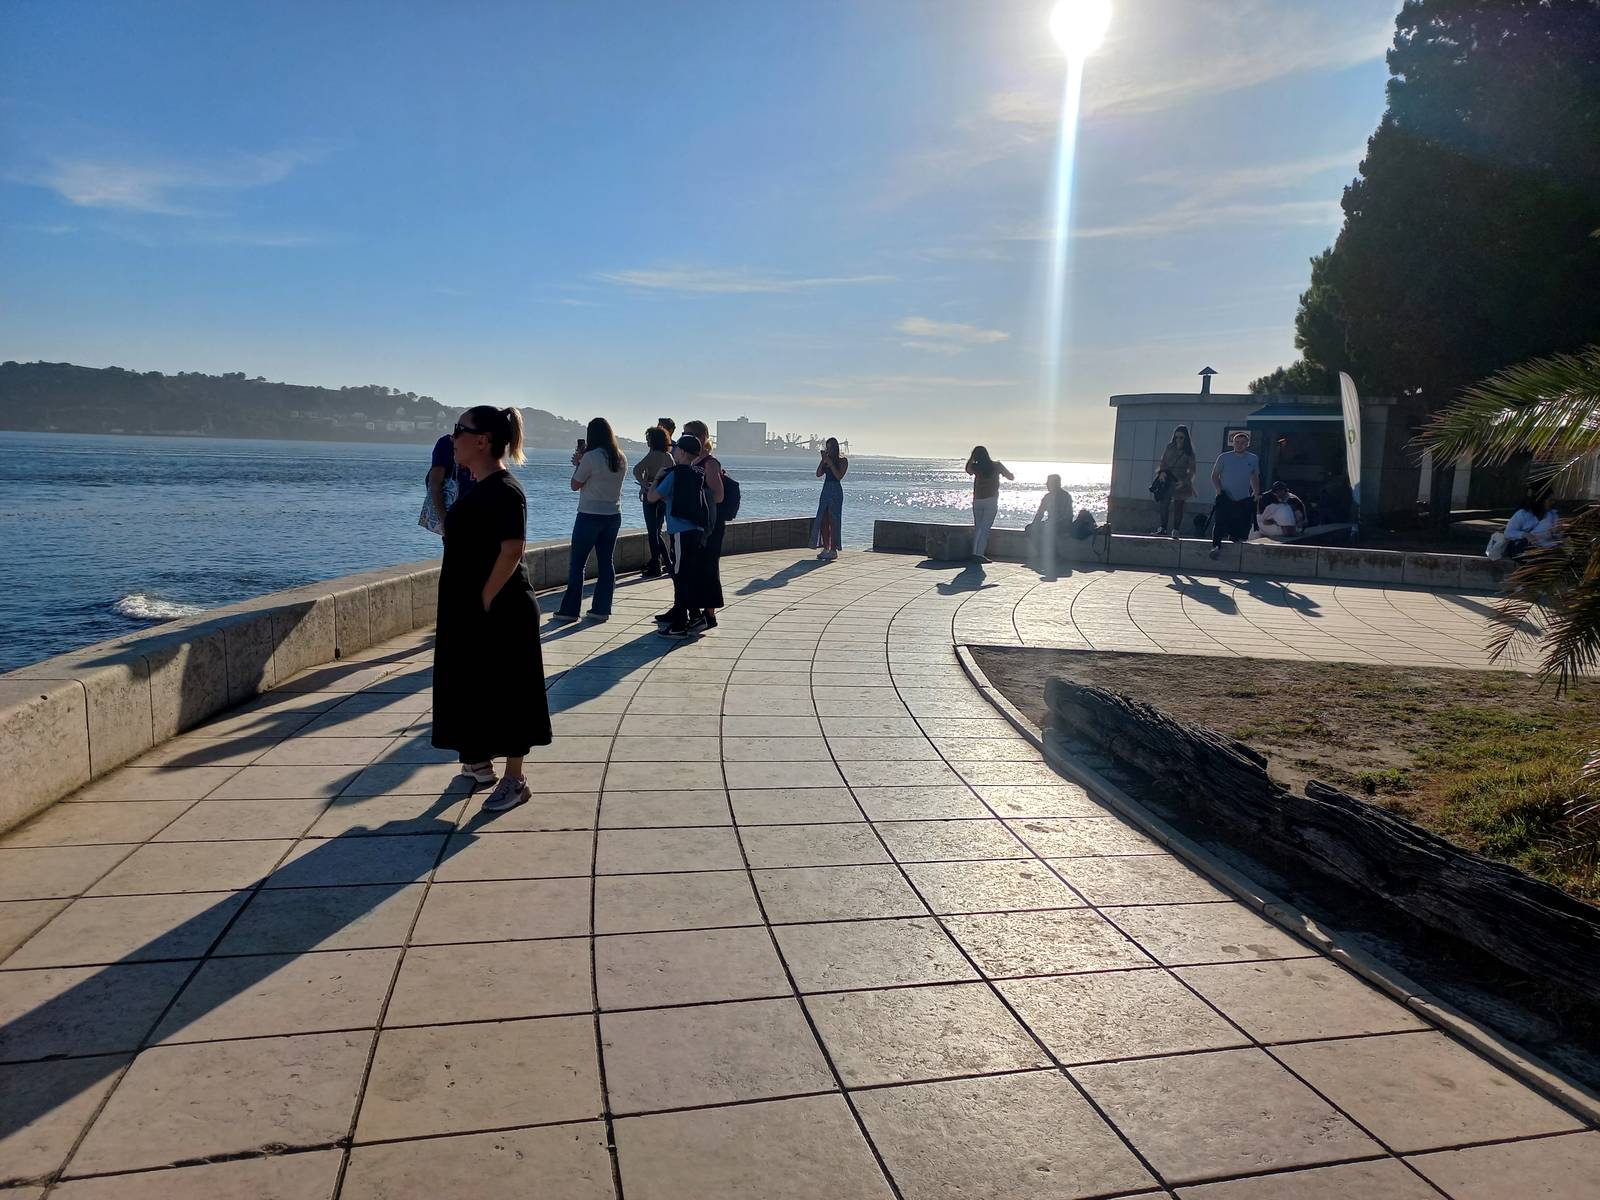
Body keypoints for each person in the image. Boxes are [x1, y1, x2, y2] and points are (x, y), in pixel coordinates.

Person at [431, 406, 551, 814]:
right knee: (471, 684)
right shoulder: (480, 485)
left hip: (503, 607)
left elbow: (513, 549)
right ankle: (479, 762)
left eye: (458, 430)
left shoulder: (504, 488)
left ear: (482, 440)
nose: (452, 438)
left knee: (511, 691)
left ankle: (515, 779)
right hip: (477, 606)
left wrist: (484, 597)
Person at [551, 418, 627, 625]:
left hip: (589, 515)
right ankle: (601, 609)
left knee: (578, 564)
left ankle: (569, 610)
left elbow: (575, 485)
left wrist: (578, 464)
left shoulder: (591, 457)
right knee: (606, 563)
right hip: (613, 515)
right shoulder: (621, 457)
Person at [647, 433, 714, 638]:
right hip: (696, 532)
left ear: (683, 452)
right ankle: (694, 616)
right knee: (688, 576)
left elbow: (652, 498)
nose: (673, 451)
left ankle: (678, 625)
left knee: (680, 578)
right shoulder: (697, 473)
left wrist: (657, 477)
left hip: (679, 533)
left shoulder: (674, 474)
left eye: (675, 448)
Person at [681, 420, 726, 630]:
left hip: (710, 525)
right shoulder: (692, 461)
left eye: (688, 434)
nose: (684, 437)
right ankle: (697, 613)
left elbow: (718, 495)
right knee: (695, 568)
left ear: (701, 437)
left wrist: (697, 495)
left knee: (708, 568)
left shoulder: (709, 463)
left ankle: (709, 615)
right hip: (696, 523)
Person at [1209, 431, 1260, 560]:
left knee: (1240, 524)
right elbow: (1215, 475)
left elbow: (1254, 476)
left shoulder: (1253, 458)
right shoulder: (1224, 457)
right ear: (1233, 443)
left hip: (1242, 497)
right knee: (1220, 521)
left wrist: (1256, 492)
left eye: (1243, 443)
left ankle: (1235, 543)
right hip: (1225, 496)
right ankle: (1216, 546)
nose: (1240, 445)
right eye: (1237, 442)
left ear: (1247, 444)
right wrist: (1219, 490)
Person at [632, 425, 674, 577]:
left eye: (648, 439)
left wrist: (644, 484)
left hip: (650, 496)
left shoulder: (652, 455)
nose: (647, 442)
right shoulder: (668, 456)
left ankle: (656, 565)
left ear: (653, 440)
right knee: (657, 531)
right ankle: (667, 564)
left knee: (652, 532)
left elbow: (636, 469)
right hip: (664, 497)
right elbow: (672, 476)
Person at [965, 446, 1014, 562]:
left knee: (978, 527)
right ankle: (978, 554)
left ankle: (975, 553)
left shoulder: (976, 467)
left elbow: (968, 469)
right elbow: (1011, 477)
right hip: (991, 500)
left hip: (977, 500)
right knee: (985, 528)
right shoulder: (996, 466)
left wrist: (971, 458)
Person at [420, 431, 474, 537]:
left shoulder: (485, 446)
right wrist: (444, 520)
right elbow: (434, 482)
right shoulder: (447, 444)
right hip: (456, 516)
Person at [1153, 425, 1196, 537]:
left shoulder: (1189, 452)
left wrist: (1185, 481)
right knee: (1164, 504)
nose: (1178, 440)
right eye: (1176, 437)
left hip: (1180, 480)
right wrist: (1161, 472)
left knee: (1179, 506)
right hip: (1168, 478)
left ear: (1185, 438)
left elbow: (1192, 470)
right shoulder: (1170, 447)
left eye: (1181, 437)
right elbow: (1163, 461)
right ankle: (1163, 527)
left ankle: (1176, 530)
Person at [1025, 474, 1073, 570]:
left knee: (1048, 529)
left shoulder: (1065, 496)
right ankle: (1043, 554)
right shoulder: (1047, 497)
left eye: (1048, 483)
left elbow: (1066, 515)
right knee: (1030, 528)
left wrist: (1051, 523)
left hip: (1064, 524)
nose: (1047, 485)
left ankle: (1055, 556)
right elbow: (1040, 513)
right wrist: (1035, 524)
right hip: (1051, 523)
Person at [812, 437, 848, 561]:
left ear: (835, 448)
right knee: (823, 519)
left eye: (830, 448)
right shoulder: (827, 460)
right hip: (826, 489)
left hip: (835, 490)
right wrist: (823, 461)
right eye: (827, 448)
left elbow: (839, 476)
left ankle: (833, 549)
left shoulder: (843, 461)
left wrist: (830, 462)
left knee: (834, 520)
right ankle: (826, 547)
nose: (829, 450)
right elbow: (818, 474)